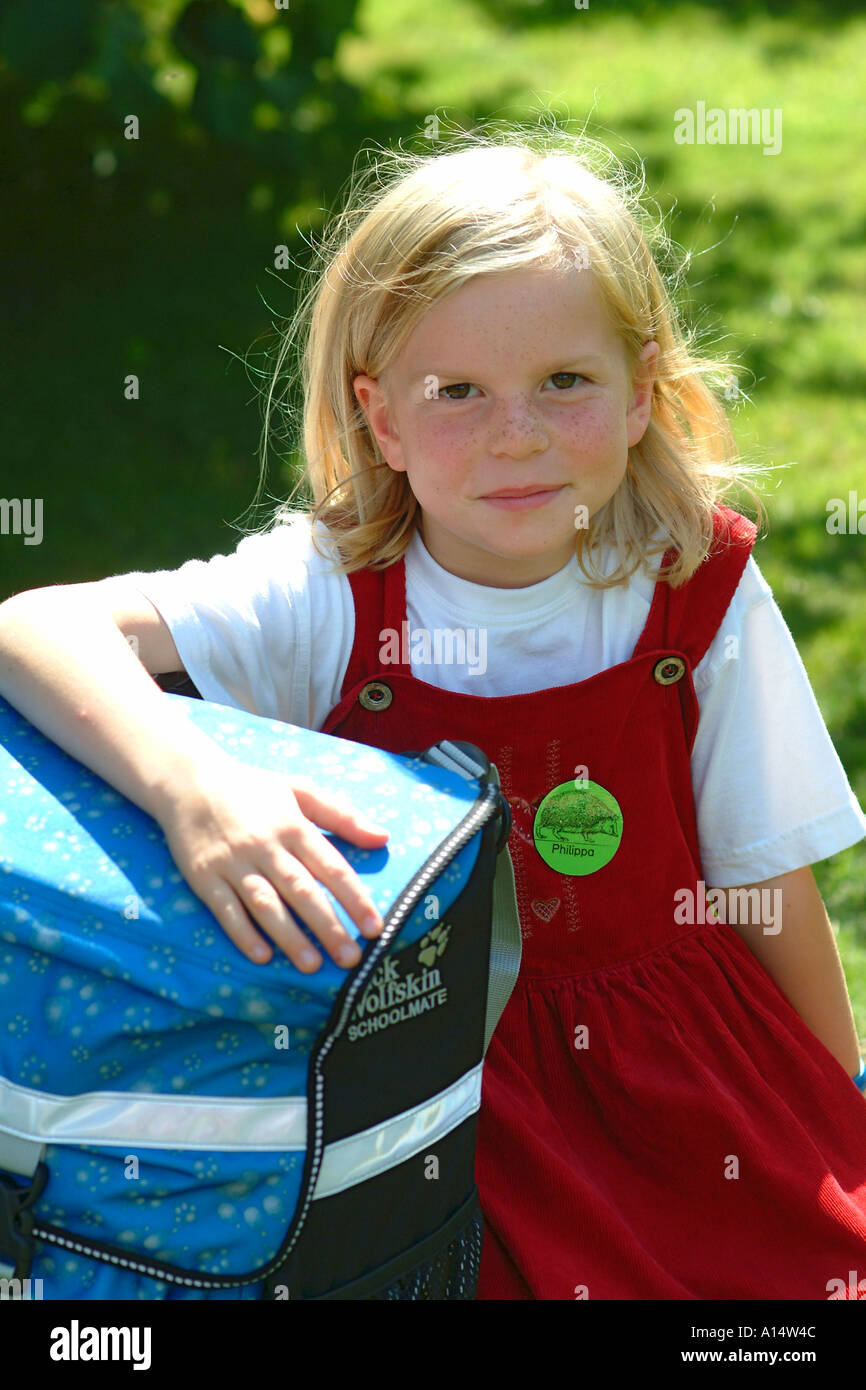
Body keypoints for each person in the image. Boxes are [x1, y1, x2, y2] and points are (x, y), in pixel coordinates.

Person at [2, 126, 865, 1301]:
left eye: (564, 381)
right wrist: (196, 789)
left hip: (685, 1096)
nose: (515, 433)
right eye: (456, 392)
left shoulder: (690, 584)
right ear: (381, 419)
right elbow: (31, 627)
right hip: (415, 1102)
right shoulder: (323, 596)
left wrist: (833, 1104)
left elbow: (765, 884)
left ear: (638, 395)